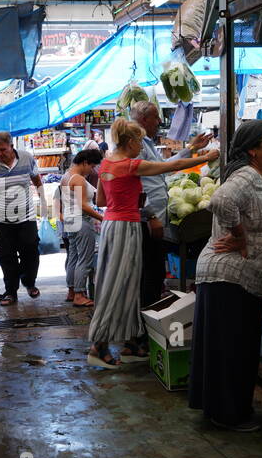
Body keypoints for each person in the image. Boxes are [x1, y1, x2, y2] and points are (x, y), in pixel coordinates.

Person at [87, 119, 217, 369]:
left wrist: (125, 196)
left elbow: (101, 200)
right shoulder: (130, 165)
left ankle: (130, 344)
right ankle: (99, 346)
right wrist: (205, 156)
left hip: (111, 226)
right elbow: (172, 166)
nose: (141, 148)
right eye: (140, 143)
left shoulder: (107, 163)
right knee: (120, 287)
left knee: (121, 285)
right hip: (126, 228)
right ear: (130, 142)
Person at [187, 120, 262, 430]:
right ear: (253, 150)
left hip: (231, 276)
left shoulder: (261, 176)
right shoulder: (245, 177)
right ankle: (229, 414)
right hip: (230, 275)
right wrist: (240, 236)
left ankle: (221, 410)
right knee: (233, 349)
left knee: (226, 347)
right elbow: (221, 201)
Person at [129, 100, 213, 307]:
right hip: (147, 221)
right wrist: (150, 215)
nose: (159, 121)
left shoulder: (146, 143)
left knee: (155, 272)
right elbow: (138, 185)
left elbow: (163, 167)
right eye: (156, 117)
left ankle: (146, 316)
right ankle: (144, 319)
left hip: (153, 218)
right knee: (150, 272)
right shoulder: (136, 146)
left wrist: (192, 148)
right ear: (144, 119)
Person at [0, 132, 49, 305]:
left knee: (31, 250)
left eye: (3, 149)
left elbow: (36, 179)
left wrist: (43, 200)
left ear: (11, 146)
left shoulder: (26, 158)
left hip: (26, 217)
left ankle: (29, 282)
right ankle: (10, 292)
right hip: (0, 219)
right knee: (6, 256)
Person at [57, 148, 104, 307]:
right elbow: (83, 205)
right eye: (92, 166)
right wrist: (102, 218)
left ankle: (71, 291)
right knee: (84, 258)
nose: (92, 170)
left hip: (70, 221)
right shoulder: (78, 179)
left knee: (74, 257)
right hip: (81, 221)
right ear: (85, 163)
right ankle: (79, 294)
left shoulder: (66, 176)